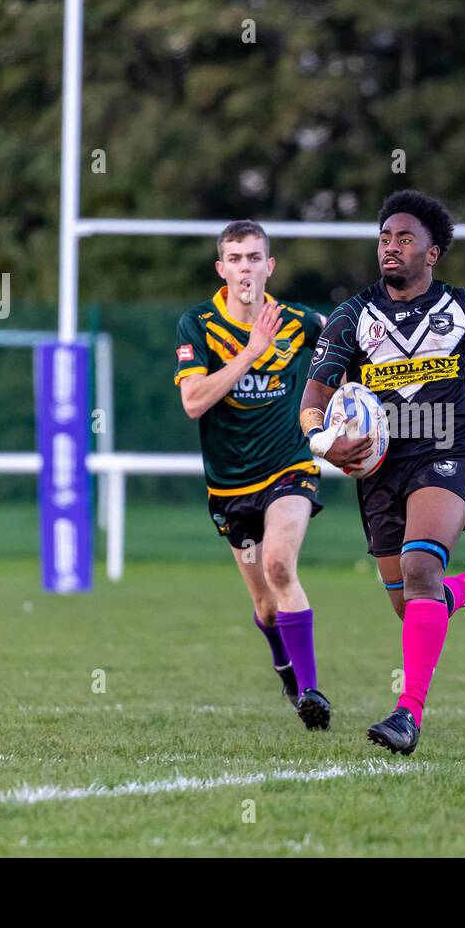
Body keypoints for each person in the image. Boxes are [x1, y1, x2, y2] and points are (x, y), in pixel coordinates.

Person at [299, 190, 465, 755]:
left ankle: (407, 715)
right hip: (379, 469)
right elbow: (314, 392)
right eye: (385, 238)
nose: (391, 247)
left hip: (445, 453)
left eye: (405, 238)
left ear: (433, 252)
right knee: (414, 602)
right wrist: (322, 440)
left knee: (419, 570)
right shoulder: (352, 316)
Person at [174, 220, 331, 730]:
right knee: (265, 607)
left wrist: (350, 406)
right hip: (229, 487)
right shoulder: (196, 325)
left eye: (254, 257)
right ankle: (284, 664)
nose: (246, 267)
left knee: (281, 566)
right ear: (222, 269)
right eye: (236, 258)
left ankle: (311, 693)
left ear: (270, 266)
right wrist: (250, 354)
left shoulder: (300, 320)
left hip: (290, 469)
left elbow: (344, 353)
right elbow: (194, 402)